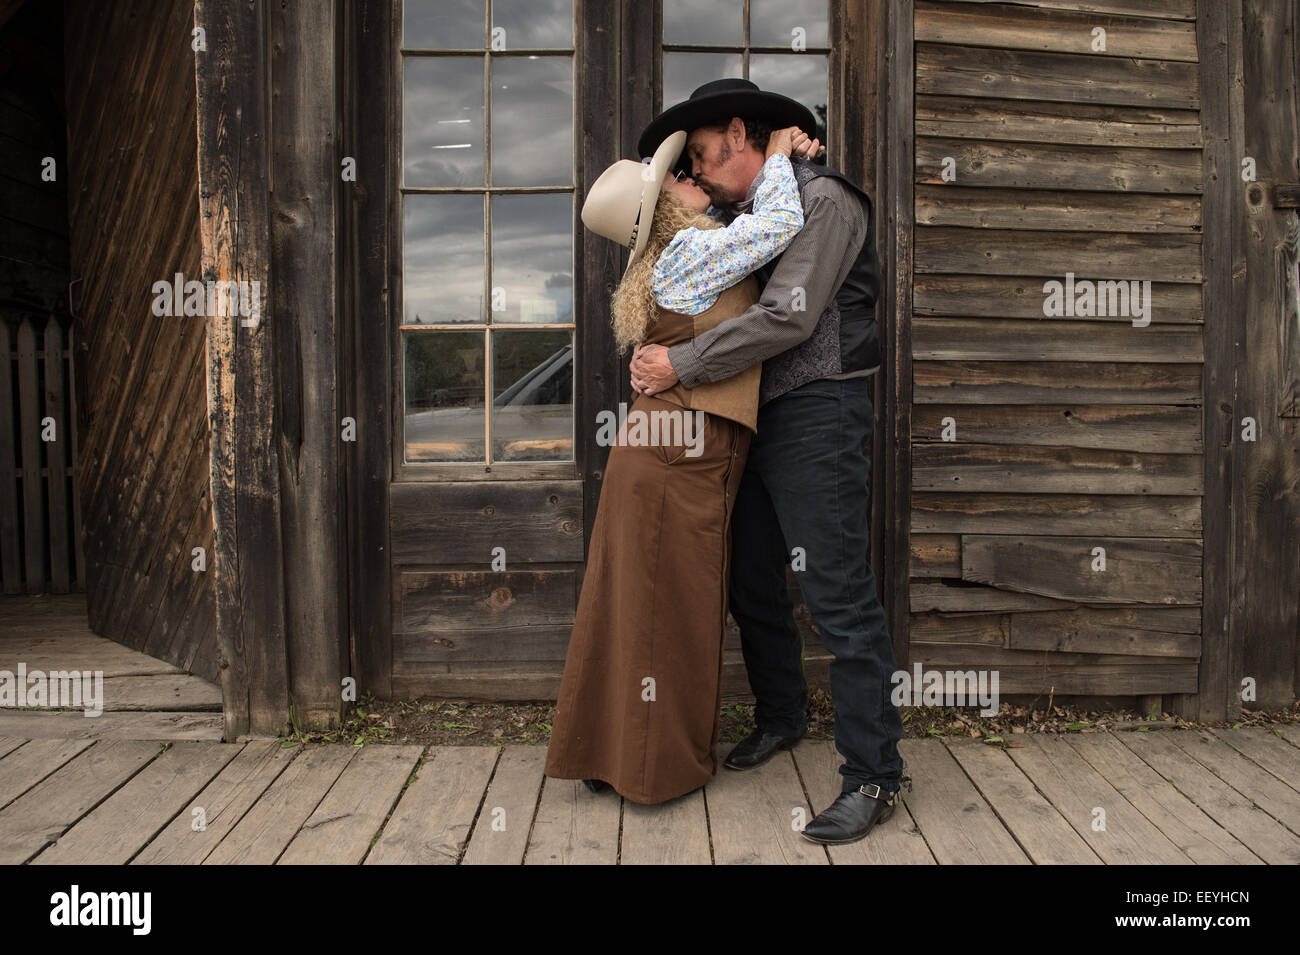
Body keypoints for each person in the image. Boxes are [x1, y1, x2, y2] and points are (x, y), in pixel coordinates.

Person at [629, 78, 907, 844]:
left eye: (701, 148)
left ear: (742, 132)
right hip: (750, 416)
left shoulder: (824, 200)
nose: (695, 164)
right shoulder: (745, 214)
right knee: (751, 577)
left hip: (820, 409)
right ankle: (783, 715)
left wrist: (682, 367)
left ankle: (874, 773)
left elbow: (788, 314)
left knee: (839, 590)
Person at [543, 124, 822, 804]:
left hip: (673, 451)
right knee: (669, 610)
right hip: (677, 455)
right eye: (678, 176)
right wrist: (779, 157)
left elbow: (751, 227)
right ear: (662, 209)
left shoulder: (687, 249)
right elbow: (781, 222)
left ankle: (610, 753)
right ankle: (649, 767)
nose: (693, 176)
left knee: (645, 604)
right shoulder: (692, 250)